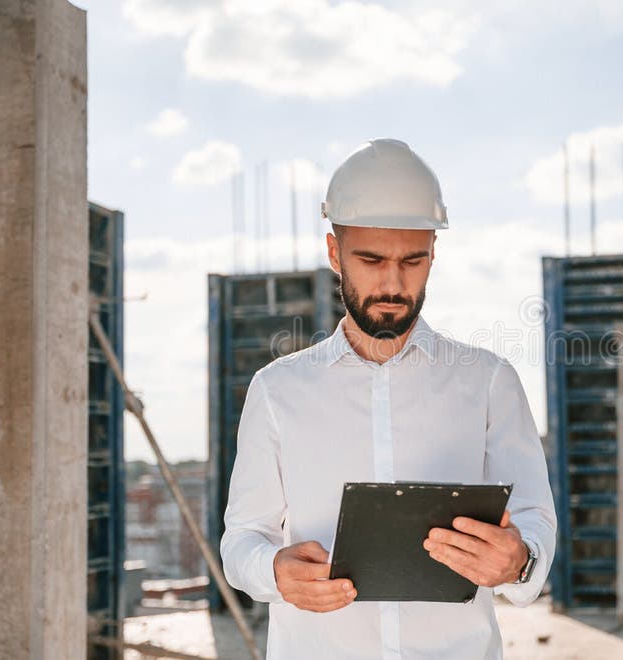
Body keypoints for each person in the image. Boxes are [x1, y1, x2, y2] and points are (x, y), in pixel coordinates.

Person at [220, 138, 556, 659]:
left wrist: (519, 562)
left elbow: (534, 514)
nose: (394, 283)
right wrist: (273, 572)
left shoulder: (488, 381)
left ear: (433, 255)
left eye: (413, 261)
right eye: (371, 259)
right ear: (335, 254)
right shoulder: (276, 391)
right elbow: (243, 536)